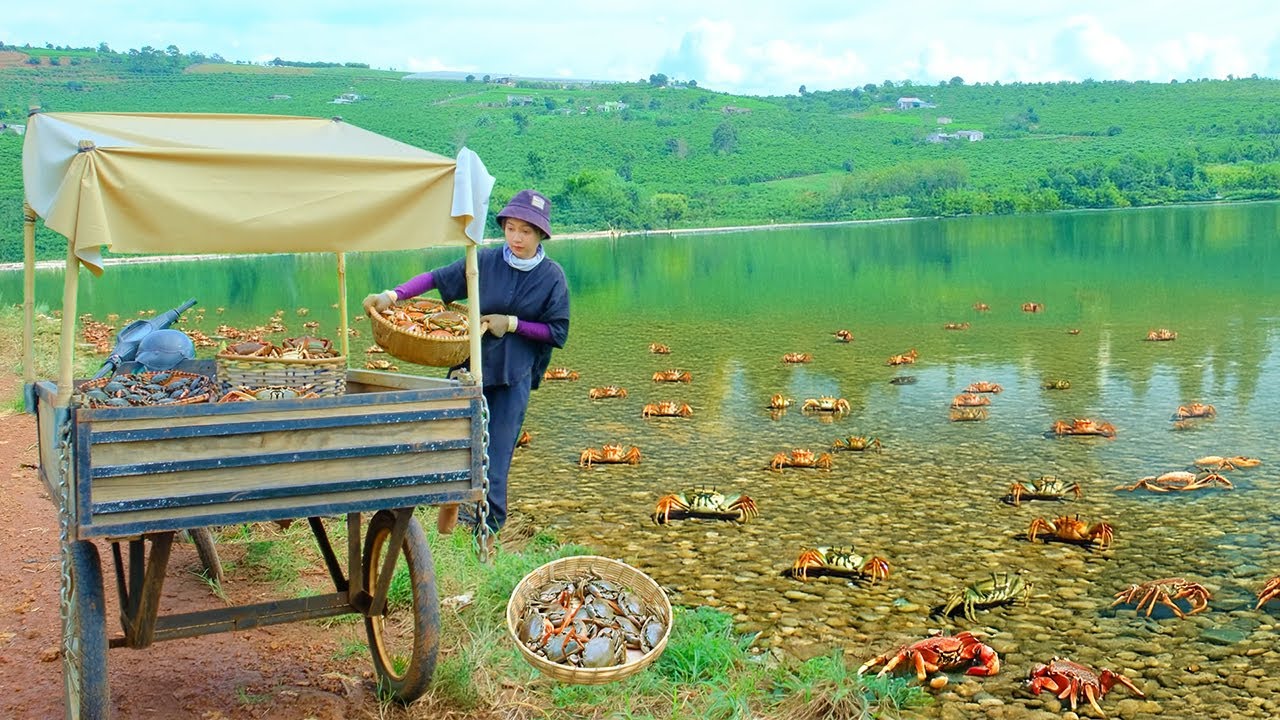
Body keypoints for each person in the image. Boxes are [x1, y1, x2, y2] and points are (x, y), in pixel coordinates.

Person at [363, 189, 570, 542]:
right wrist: (392, 295)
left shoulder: (552, 277)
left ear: (541, 235)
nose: (517, 238)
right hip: (468, 368)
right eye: (511, 228)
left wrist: (514, 324)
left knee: (496, 456)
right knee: (457, 449)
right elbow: (435, 279)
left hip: (512, 377)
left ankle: (487, 534)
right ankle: (452, 531)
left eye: (526, 231)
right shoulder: (484, 263)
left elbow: (557, 331)